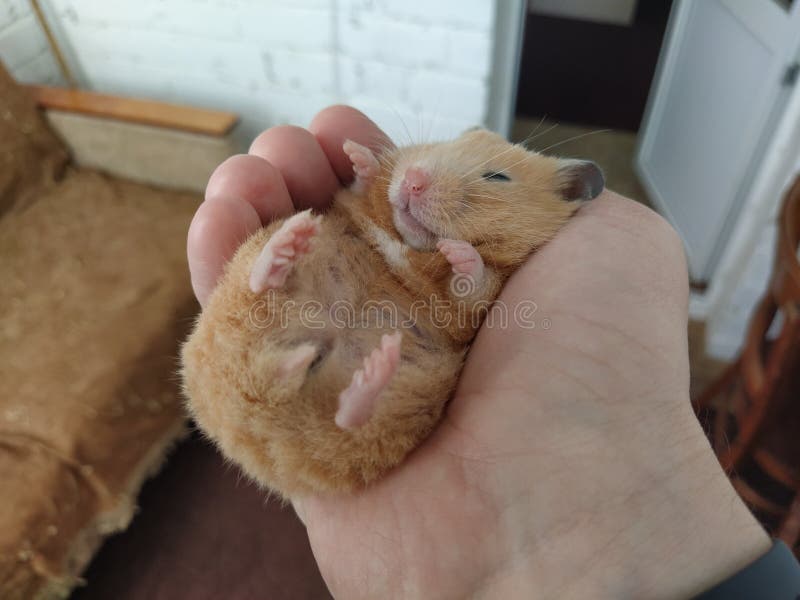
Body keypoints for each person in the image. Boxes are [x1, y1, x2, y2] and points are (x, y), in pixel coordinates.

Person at [187, 105, 777, 598]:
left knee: (420, 388)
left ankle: (351, 409)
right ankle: (267, 288)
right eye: (437, 157)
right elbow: (364, 215)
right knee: (285, 251)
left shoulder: (519, 257)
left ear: (568, 194)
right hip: (322, 298)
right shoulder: (385, 202)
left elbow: (465, 313)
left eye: (494, 179)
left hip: (381, 355)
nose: (417, 181)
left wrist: (471, 281)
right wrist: (374, 182)